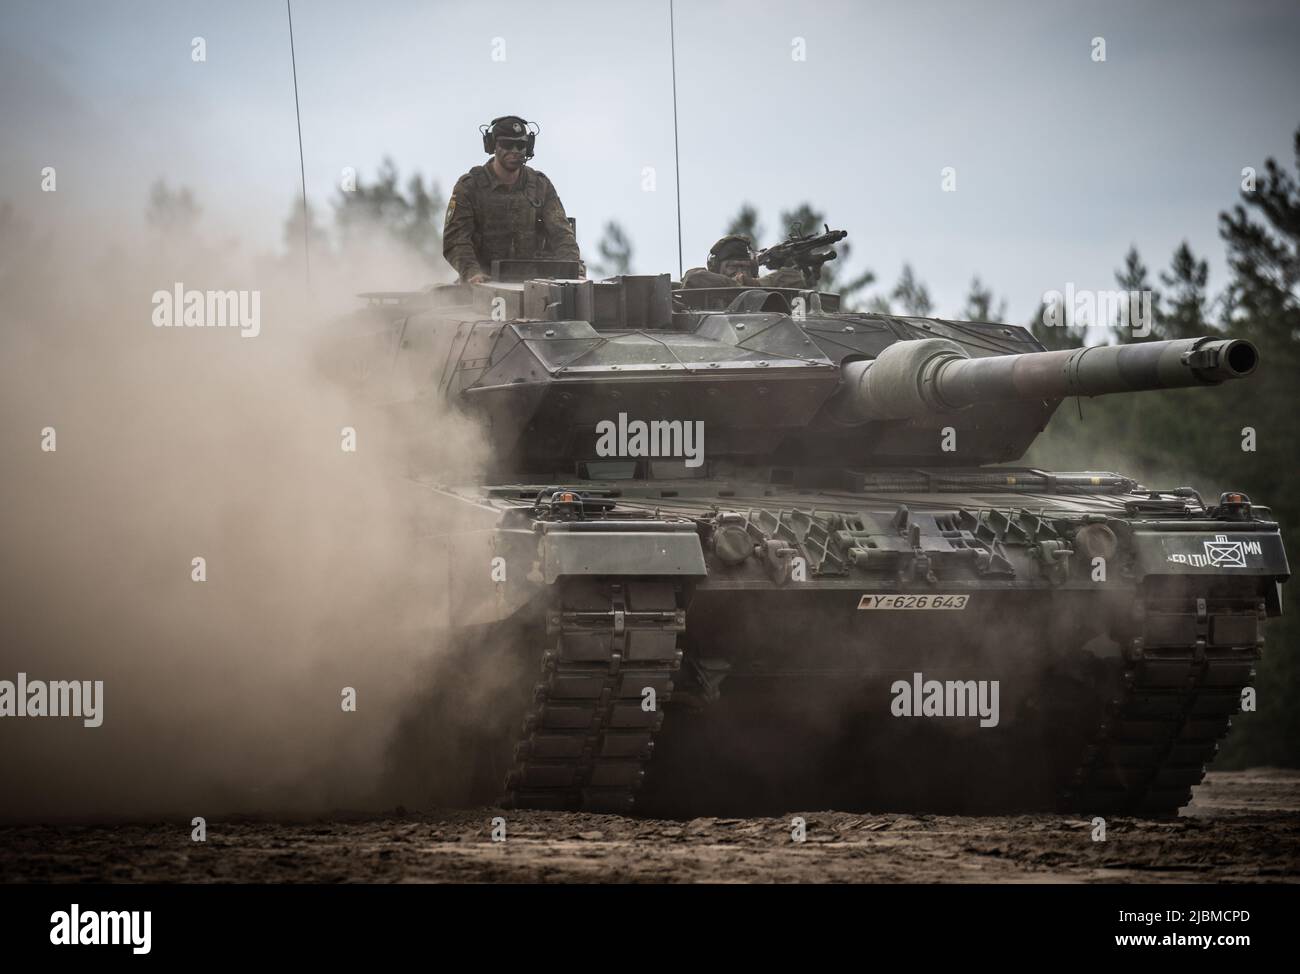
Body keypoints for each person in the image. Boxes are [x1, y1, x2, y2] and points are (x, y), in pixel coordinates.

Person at [442, 115, 582, 283]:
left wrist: (571, 272)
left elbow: (562, 235)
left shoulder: (540, 186)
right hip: (481, 283)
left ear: (528, 147)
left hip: (532, 283)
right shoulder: (470, 187)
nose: (515, 150)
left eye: (521, 145)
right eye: (507, 144)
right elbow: (456, 240)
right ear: (493, 145)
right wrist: (472, 272)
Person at [681, 234, 807, 289]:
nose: (740, 272)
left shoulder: (758, 286)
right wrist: (735, 285)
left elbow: (795, 278)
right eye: (732, 266)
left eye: (745, 267)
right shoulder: (704, 282)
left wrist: (755, 284)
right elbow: (693, 278)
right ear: (715, 268)